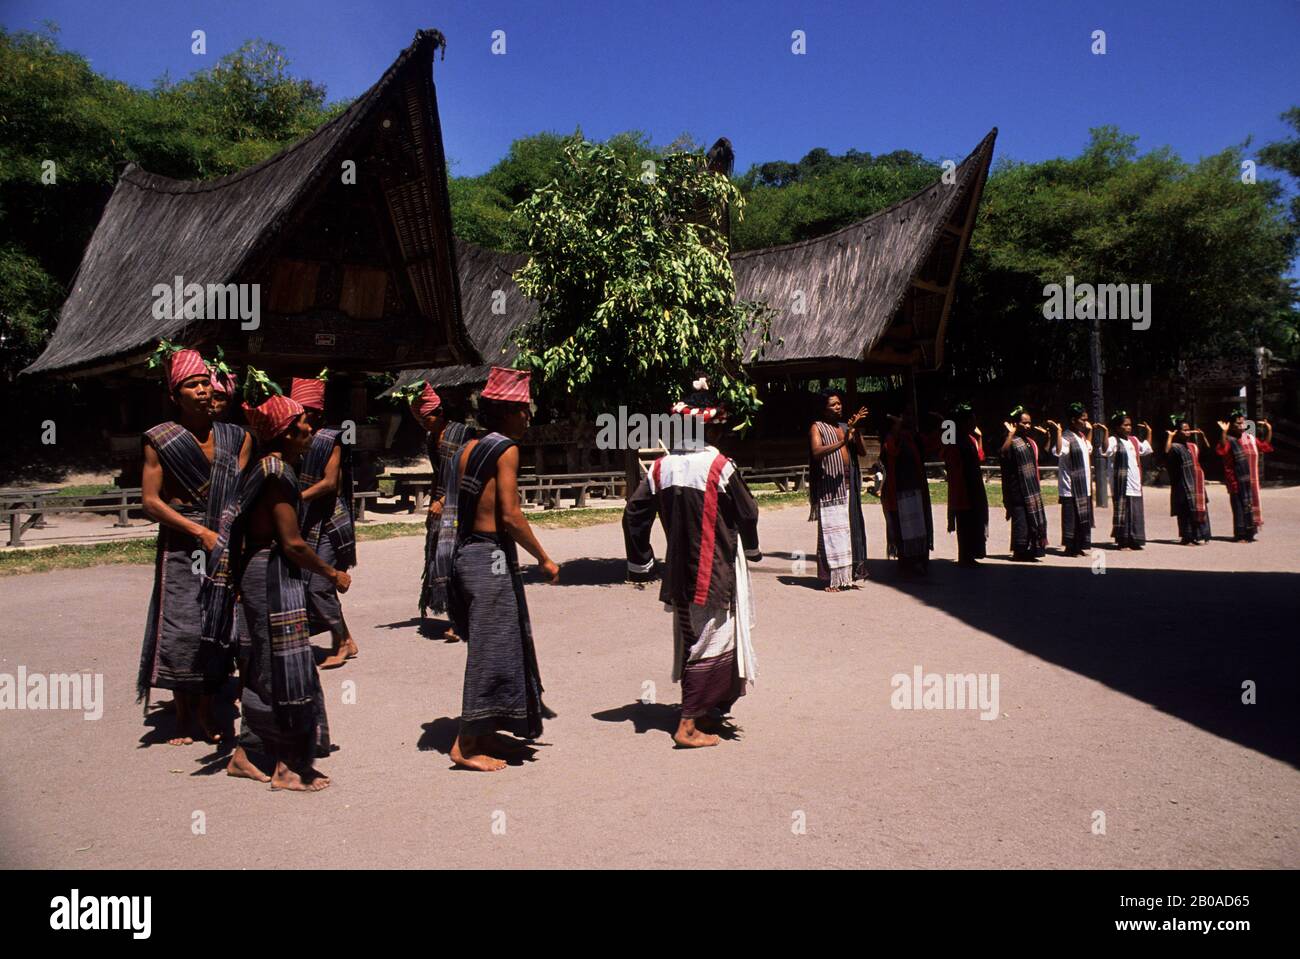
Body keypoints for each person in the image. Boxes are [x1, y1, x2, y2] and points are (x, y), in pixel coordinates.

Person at [203, 375, 351, 791]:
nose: (310, 430)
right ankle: (286, 766)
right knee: (282, 669)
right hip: (271, 574)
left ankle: (245, 754)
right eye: (303, 423)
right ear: (287, 432)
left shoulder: (266, 467)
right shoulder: (278, 473)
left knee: (262, 664)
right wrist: (332, 574)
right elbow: (293, 543)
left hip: (260, 572)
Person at [623, 379, 762, 748]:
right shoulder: (719, 466)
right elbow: (748, 512)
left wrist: (641, 562)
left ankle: (704, 711)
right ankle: (687, 725)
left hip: (679, 573)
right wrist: (751, 549)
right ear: (709, 429)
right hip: (715, 571)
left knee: (693, 640)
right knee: (712, 641)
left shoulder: (660, 468)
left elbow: (634, 513)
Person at [137, 342, 251, 746]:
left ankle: (206, 708)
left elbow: (239, 493)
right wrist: (197, 530)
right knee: (182, 624)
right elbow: (151, 501)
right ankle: (183, 713)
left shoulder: (236, 437)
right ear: (175, 395)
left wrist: (229, 536)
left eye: (206, 383)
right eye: (192, 385)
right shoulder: (160, 439)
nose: (202, 390)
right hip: (182, 542)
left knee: (216, 622)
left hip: (223, 537)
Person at [447, 367, 560, 772]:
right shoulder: (506, 449)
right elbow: (510, 515)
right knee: (491, 649)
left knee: (500, 644)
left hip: (468, 553)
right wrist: (543, 558)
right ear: (507, 412)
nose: (528, 417)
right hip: (489, 555)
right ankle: (465, 743)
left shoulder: (467, 449)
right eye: (524, 410)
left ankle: (488, 731)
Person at [289, 371, 358, 668]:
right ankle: (347, 639)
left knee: (318, 585)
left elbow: (330, 483)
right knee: (314, 584)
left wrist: (297, 498)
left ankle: (341, 642)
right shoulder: (292, 441)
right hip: (306, 522)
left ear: (316, 413)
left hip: (331, 523)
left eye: (305, 412)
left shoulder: (330, 440)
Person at [398, 380, 475, 639]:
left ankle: (461, 620)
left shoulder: (461, 434)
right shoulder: (432, 438)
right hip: (440, 502)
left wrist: (444, 500)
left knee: (453, 557)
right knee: (440, 557)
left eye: (426, 418)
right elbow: (437, 473)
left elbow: (466, 470)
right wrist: (434, 500)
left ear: (439, 413)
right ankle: (457, 616)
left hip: (460, 502)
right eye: (420, 420)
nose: (424, 424)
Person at [807, 388, 868, 590]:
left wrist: (854, 431)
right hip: (829, 487)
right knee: (831, 531)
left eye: (839, 403)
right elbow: (817, 452)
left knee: (850, 529)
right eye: (833, 404)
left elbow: (862, 452)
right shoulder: (817, 427)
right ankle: (829, 578)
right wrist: (841, 441)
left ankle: (849, 575)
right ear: (823, 409)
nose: (838, 407)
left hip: (849, 484)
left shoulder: (844, 426)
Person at [935, 403, 988, 566]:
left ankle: (970, 555)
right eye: (972, 420)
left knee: (972, 521)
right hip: (962, 487)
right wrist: (945, 423)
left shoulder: (969, 439)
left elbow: (980, 457)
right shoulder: (954, 439)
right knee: (964, 523)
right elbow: (944, 453)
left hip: (972, 485)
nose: (974, 423)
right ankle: (965, 556)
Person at [880, 412, 932, 575]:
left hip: (916, 490)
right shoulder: (890, 440)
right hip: (898, 493)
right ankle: (906, 563)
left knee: (918, 527)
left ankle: (919, 560)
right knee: (902, 528)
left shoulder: (912, 439)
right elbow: (892, 451)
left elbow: (936, 444)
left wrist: (946, 424)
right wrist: (897, 428)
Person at [1215, 408, 1275, 542]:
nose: (1241, 425)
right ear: (1231, 425)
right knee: (1239, 507)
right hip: (1235, 480)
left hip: (1251, 481)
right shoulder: (1229, 440)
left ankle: (1250, 532)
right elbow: (1222, 450)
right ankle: (1240, 534)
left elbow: (1264, 446)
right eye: (1238, 423)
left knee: (1249, 505)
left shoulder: (1250, 438)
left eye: (1243, 422)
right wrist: (1224, 432)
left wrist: (1269, 430)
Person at [998, 406, 1049, 561]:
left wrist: (1047, 438)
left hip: (1031, 489)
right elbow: (1003, 454)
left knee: (1031, 520)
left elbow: (1043, 457)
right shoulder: (1012, 441)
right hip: (1017, 489)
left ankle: (1032, 550)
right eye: (1024, 423)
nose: (1027, 426)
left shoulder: (1029, 442)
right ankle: (1019, 551)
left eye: (1029, 423)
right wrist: (1010, 434)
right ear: (1015, 424)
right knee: (1021, 521)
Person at [1098, 411, 1153, 549]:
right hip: (1121, 483)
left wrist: (1149, 432)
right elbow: (1105, 450)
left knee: (1135, 511)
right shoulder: (1113, 440)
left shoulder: (1133, 440)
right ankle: (1123, 540)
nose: (1129, 428)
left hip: (1134, 481)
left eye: (1130, 425)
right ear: (1117, 427)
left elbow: (1145, 448)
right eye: (1125, 425)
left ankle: (1135, 540)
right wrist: (1105, 433)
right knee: (1124, 511)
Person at [1047, 402, 1094, 557]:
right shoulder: (1066, 437)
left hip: (1083, 485)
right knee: (1071, 517)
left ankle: (1079, 546)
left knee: (1082, 517)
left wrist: (1090, 431)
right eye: (1082, 419)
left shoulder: (1081, 437)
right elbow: (1058, 451)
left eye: (1086, 419)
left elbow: (1089, 447)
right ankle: (1070, 547)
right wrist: (1058, 433)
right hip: (1071, 487)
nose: (1085, 422)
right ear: (1073, 420)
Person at [1163, 414, 1211, 545]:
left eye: (1189, 429)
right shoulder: (1175, 447)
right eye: (1184, 430)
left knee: (1197, 509)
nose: (1188, 432)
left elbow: (1206, 452)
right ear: (1178, 432)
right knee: (1185, 512)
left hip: (1196, 484)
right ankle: (1187, 537)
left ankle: (1197, 536)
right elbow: (1167, 453)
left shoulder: (1192, 446)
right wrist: (1170, 437)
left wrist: (1203, 436)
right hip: (1182, 485)